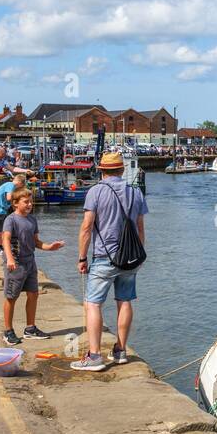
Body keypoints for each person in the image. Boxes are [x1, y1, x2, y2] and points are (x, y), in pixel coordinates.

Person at [73, 151, 147, 372]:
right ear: (122, 170)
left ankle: (95, 356)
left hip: (104, 256)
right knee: (124, 301)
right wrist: (138, 255)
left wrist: (82, 257)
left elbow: (87, 227)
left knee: (93, 303)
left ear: (102, 171)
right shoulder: (136, 193)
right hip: (131, 257)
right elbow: (140, 229)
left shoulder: (95, 192)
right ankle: (120, 351)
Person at [0, 187, 64, 345]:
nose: (30, 204)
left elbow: (36, 242)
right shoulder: (11, 220)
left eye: (31, 201)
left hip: (30, 262)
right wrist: (9, 259)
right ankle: (8, 330)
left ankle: (30, 328)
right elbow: (5, 240)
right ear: (15, 203)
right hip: (16, 263)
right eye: (26, 201)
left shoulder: (32, 220)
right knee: (11, 297)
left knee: (33, 294)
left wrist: (50, 247)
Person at [0, 173, 26, 257]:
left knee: (2, 229)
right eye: (21, 186)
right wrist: (18, 197)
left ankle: (3, 246)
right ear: (20, 183)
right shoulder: (11, 185)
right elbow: (9, 198)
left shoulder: (9, 184)